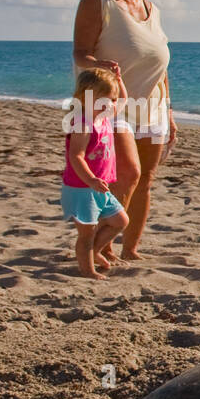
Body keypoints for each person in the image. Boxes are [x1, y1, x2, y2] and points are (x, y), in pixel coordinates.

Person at [72, 0, 176, 260]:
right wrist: (98, 63)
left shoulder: (151, 8)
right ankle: (94, 246)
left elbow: (160, 63)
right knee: (125, 175)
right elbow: (80, 54)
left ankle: (129, 249)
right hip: (111, 107)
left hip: (153, 107)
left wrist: (170, 112)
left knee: (145, 179)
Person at [62, 66, 129, 279]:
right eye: (105, 99)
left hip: (99, 187)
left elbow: (124, 100)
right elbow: (76, 156)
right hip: (82, 187)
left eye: (112, 99)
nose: (111, 104)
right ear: (86, 97)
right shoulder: (83, 123)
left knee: (120, 221)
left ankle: (95, 252)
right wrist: (90, 179)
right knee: (87, 234)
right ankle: (87, 269)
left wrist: (119, 80)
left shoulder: (104, 117)